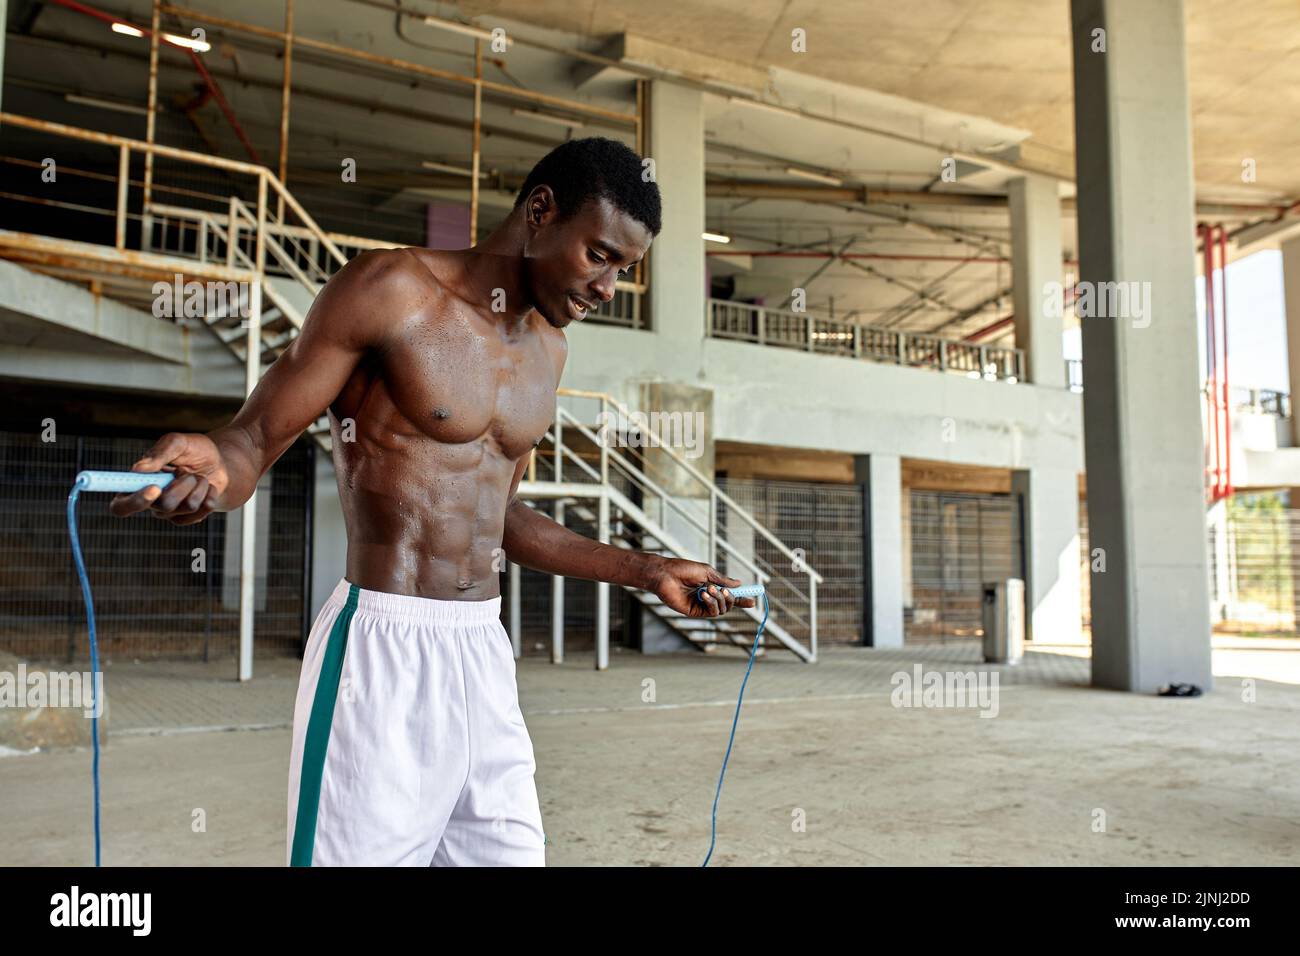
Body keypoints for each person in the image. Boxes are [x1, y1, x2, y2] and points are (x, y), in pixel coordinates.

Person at [109, 136, 754, 866]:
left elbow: (501, 519)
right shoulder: (390, 290)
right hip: (381, 649)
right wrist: (214, 469)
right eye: (599, 255)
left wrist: (646, 570)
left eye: (625, 271)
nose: (608, 287)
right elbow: (252, 444)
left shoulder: (549, 351)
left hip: (484, 654)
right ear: (541, 211)